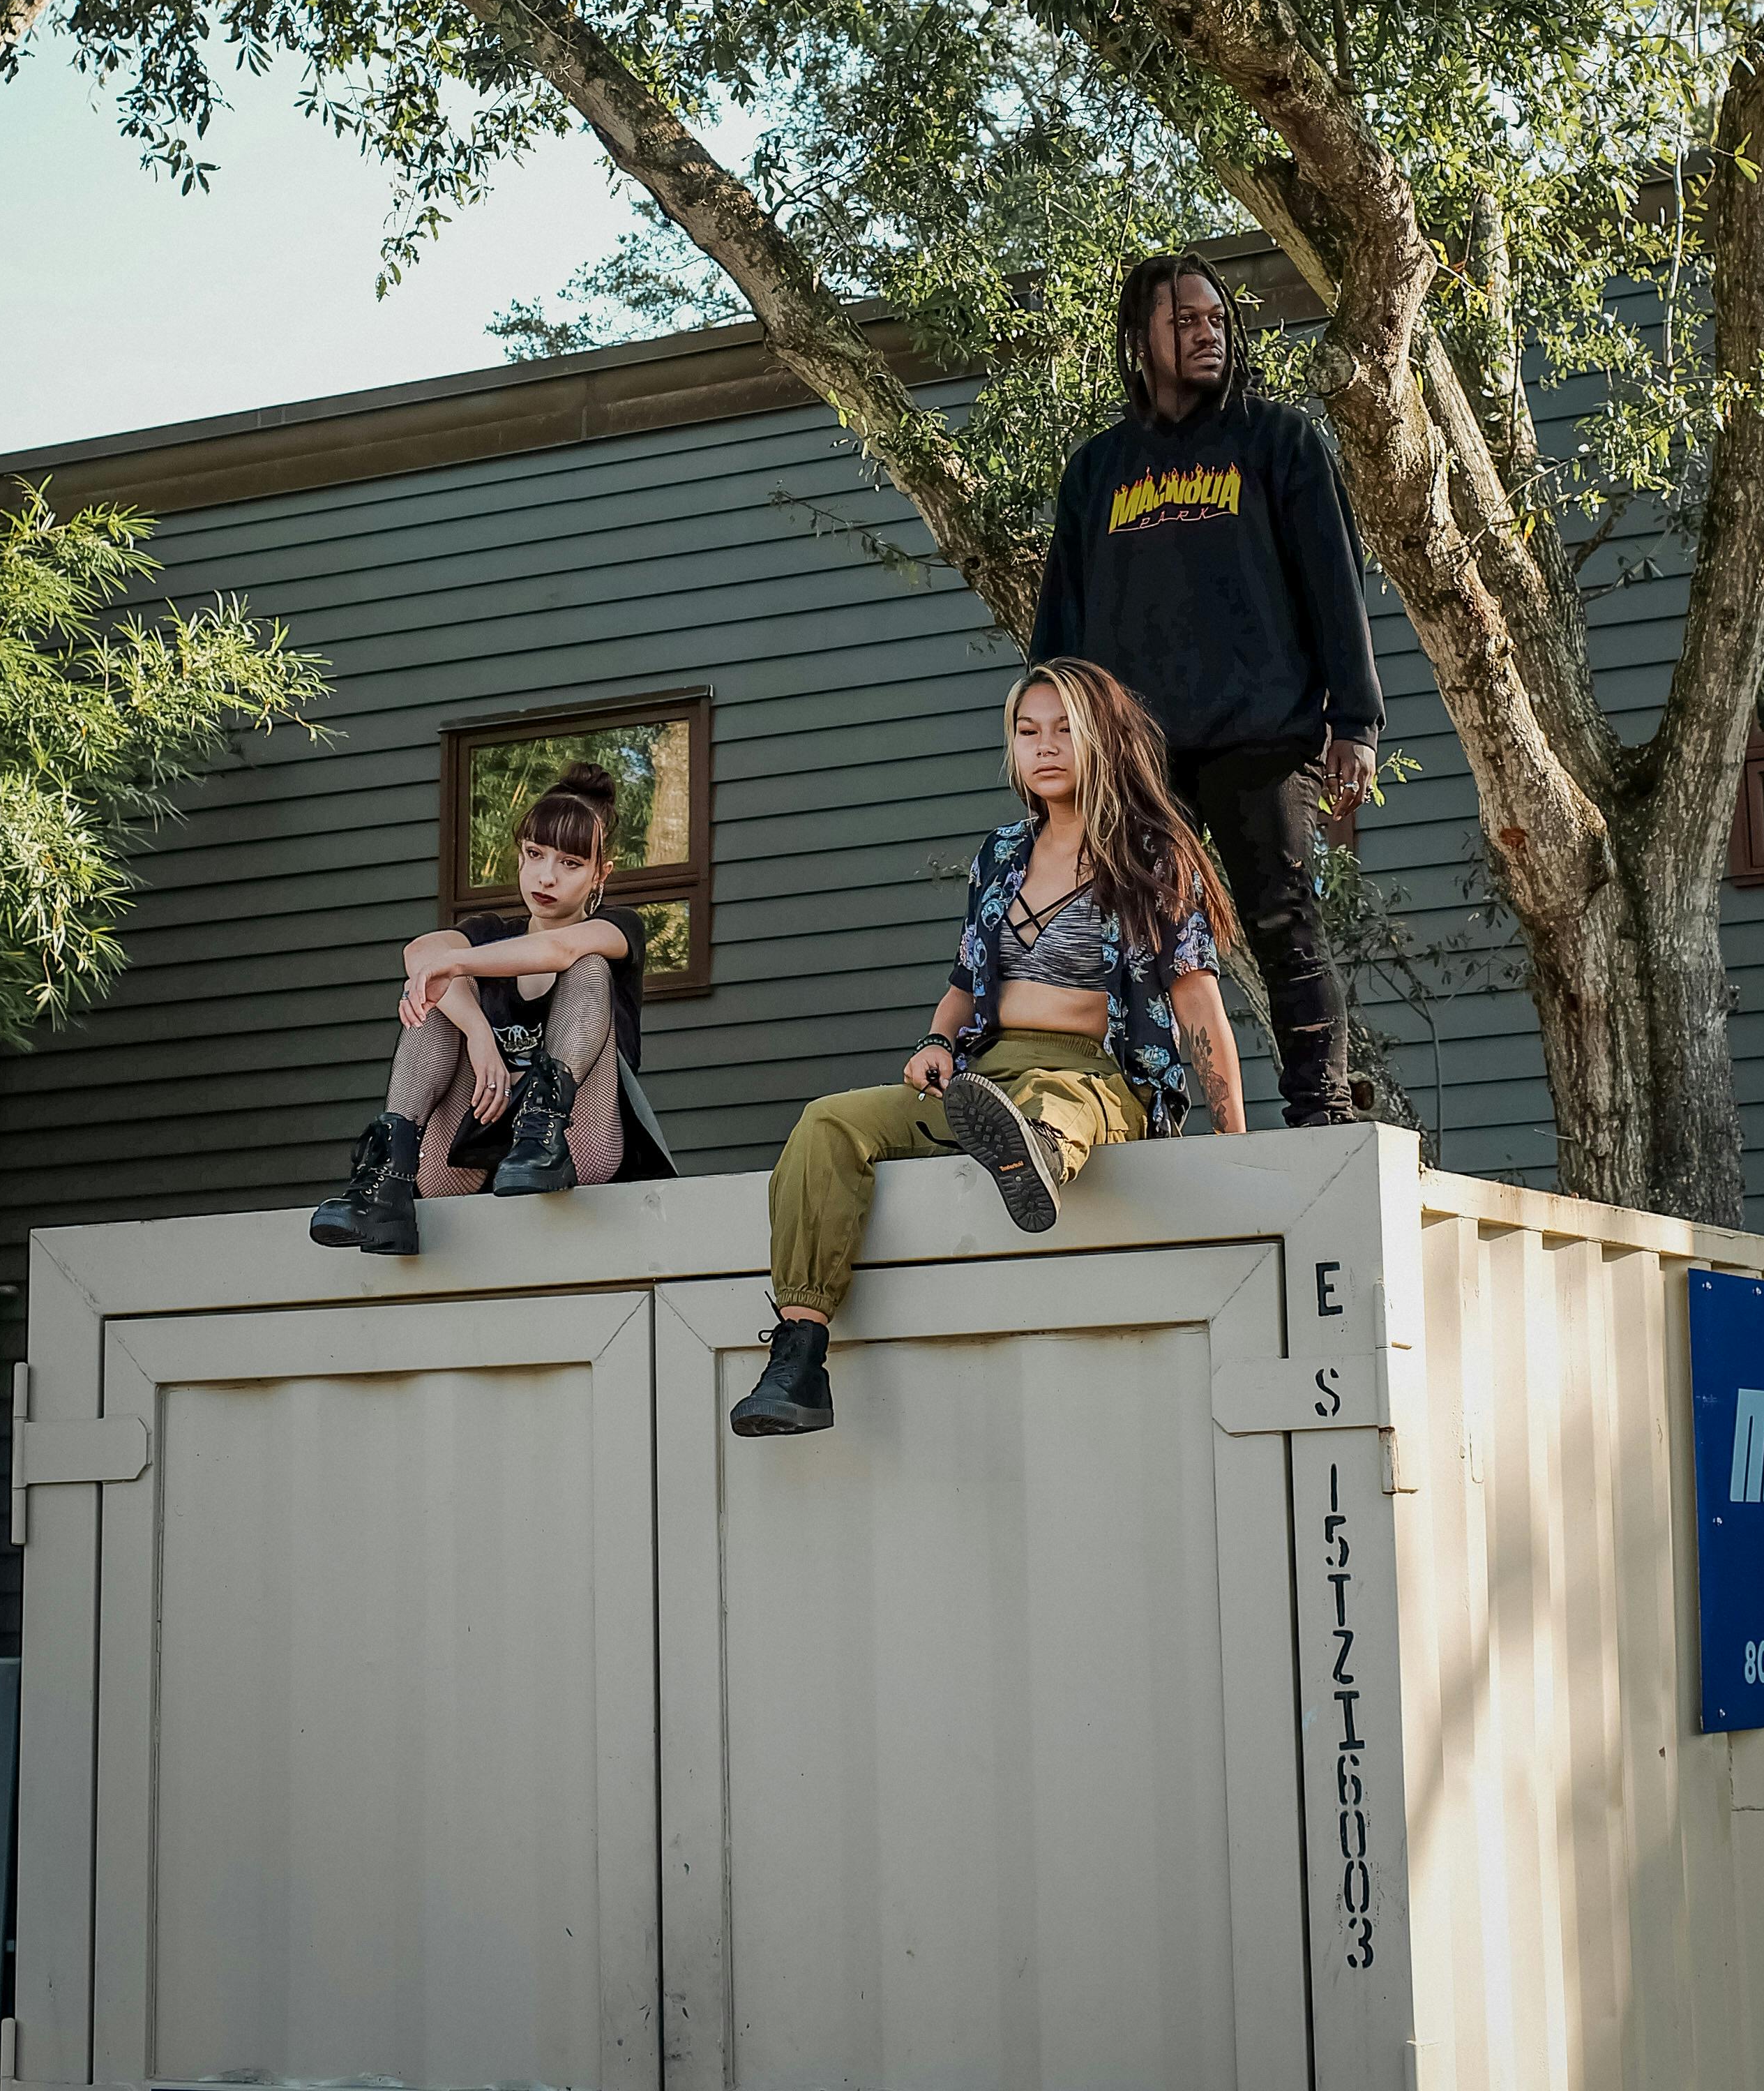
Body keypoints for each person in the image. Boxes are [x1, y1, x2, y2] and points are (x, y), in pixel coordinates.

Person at [729, 659, 1244, 1437]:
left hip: (1097, 1075)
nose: (1044, 748)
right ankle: (799, 1357)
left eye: (1065, 730)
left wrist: (1231, 1141)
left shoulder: (1150, 854)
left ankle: (1028, 1151)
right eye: (1027, 731)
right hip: (983, 1072)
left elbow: (1196, 1001)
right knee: (828, 1123)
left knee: (1047, 1106)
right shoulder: (1000, 855)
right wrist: (937, 1040)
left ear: (1103, 738)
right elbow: (967, 981)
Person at [1029, 250, 1384, 1129]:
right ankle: (1149, 1112)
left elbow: (1336, 588)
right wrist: (1050, 743)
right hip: (1135, 758)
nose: (1206, 333)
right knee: (1138, 943)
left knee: (1281, 922)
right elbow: (1057, 634)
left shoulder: (1280, 444)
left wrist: (1357, 723)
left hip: (1261, 736)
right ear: (1137, 337)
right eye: (1184, 320)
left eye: (1217, 319)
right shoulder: (1096, 472)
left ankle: (1321, 1110)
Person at [308, 760, 674, 1257]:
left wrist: (456, 964)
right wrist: (478, 1032)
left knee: (586, 968)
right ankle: (386, 1183)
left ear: (599, 875)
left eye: (570, 863)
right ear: (519, 857)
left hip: (575, 1142)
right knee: (435, 997)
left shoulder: (618, 927)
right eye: (535, 854)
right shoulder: (488, 934)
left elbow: (558, 952)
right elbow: (418, 954)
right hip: (464, 1149)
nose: (547, 876)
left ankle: (540, 1136)